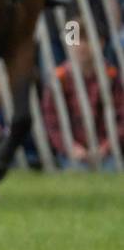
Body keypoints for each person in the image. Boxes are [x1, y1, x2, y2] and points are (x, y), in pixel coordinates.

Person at [41, 37, 124, 169]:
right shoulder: (60, 78)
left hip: (108, 153)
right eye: (77, 40)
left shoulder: (111, 75)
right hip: (72, 154)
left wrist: (106, 147)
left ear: (101, 43)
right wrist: (71, 148)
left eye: (87, 40)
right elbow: (52, 123)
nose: (82, 46)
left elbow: (121, 119)